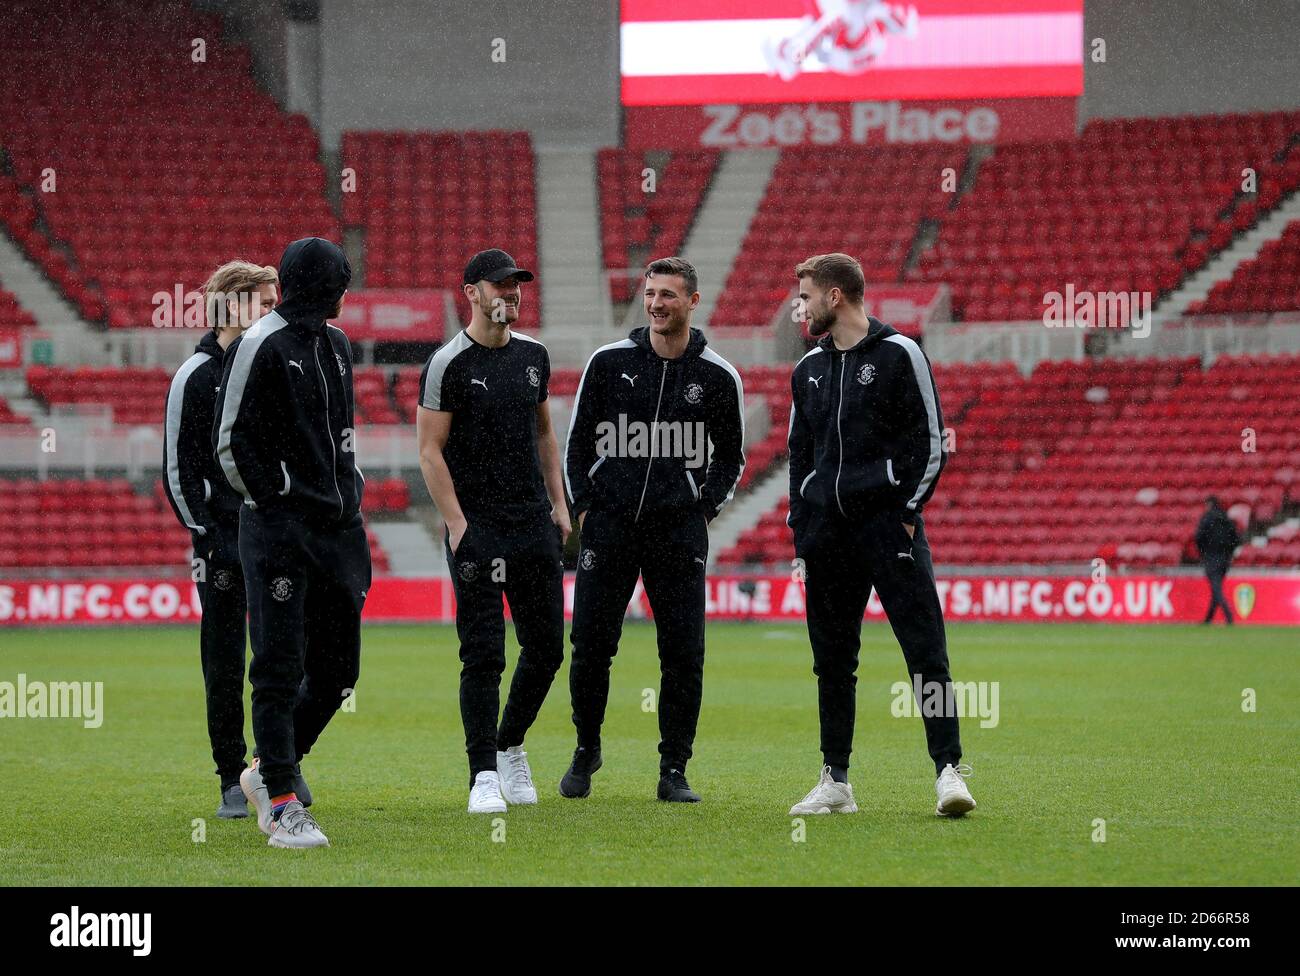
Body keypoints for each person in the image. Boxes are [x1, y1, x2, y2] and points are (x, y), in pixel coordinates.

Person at [785, 252, 975, 818]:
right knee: (832, 662)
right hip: (827, 538)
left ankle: (949, 772)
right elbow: (799, 460)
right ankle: (835, 780)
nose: (802, 307)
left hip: (888, 529)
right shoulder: (808, 370)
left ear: (835, 296)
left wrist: (906, 513)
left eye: (806, 296)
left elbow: (930, 444)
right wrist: (804, 531)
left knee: (925, 653)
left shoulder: (900, 354)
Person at [563, 256, 745, 802]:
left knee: (683, 653)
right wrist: (587, 509)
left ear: (693, 302)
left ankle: (673, 768)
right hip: (610, 527)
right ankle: (586, 745)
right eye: (650, 294)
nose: (656, 303)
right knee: (591, 645)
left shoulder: (717, 375)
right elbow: (577, 444)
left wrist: (702, 508)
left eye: (669, 294)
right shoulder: (608, 362)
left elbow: (731, 457)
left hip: (677, 533)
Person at [214, 237, 370, 848]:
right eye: (337, 281)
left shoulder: (336, 345)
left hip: (338, 530)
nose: (343, 292)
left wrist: (348, 498)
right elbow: (232, 441)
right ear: (315, 284)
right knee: (276, 668)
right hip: (280, 530)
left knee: (338, 673)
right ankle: (281, 803)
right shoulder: (261, 345)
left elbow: (339, 437)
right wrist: (273, 502)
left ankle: (265, 772)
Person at [416, 248, 570, 814]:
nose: (511, 295)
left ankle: (510, 745)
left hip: (532, 523)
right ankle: (482, 773)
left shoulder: (534, 355)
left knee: (548, 650)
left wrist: (559, 503)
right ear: (472, 292)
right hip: (478, 529)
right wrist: (458, 525)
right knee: (482, 656)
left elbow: (544, 435)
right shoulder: (448, 363)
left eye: (517, 286)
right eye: (499, 286)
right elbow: (430, 452)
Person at [162, 260, 277, 819]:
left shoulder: (268, 366)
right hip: (223, 548)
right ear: (231, 305)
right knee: (226, 662)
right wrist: (208, 536)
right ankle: (232, 775)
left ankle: (274, 768)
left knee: (282, 658)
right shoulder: (196, 375)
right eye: (261, 301)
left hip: (274, 537)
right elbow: (178, 471)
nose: (272, 309)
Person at [1196, 497, 1240, 625]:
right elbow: (1236, 539)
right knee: (1217, 587)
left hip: (1211, 556)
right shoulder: (1226, 519)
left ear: (1209, 505)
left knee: (1216, 588)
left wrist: (1203, 552)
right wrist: (1229, 552)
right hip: (1225, 558)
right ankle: (1208, 619)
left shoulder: (1207, 519)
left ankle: (1228, 615)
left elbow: (1199, 537)